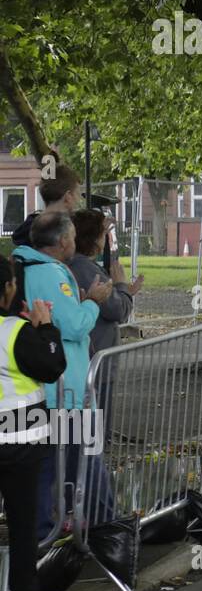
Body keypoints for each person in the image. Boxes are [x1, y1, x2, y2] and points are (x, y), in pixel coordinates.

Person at [15, 212, 113, 540]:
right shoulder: (50, 273)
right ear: (61, 242)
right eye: (71, 236)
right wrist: (93, 303)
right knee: (86, 463)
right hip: (65, 390)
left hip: (37, 390)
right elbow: (72, 326)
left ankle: (46, 534)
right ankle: (104, 530)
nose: (74, 242)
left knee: (44, 470)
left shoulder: (24, 267)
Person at [0, 255, 66, 591]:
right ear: (8, 290)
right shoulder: (16, 332)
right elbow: (52, 364)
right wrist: (46, 328)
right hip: (20, 441)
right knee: (21, 525)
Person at [70, 210, 143, 356]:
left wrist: (123, 291)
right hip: (97, 356)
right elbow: (117, 310)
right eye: (103, 234)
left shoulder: (73, 264)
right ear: (96, 239)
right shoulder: (87, 270)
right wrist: (121, 287)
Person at [12, 163, 80, 249]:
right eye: (77, 193)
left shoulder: (25, 233)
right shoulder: (68, 232)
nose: (79, 199)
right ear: (68, 196)